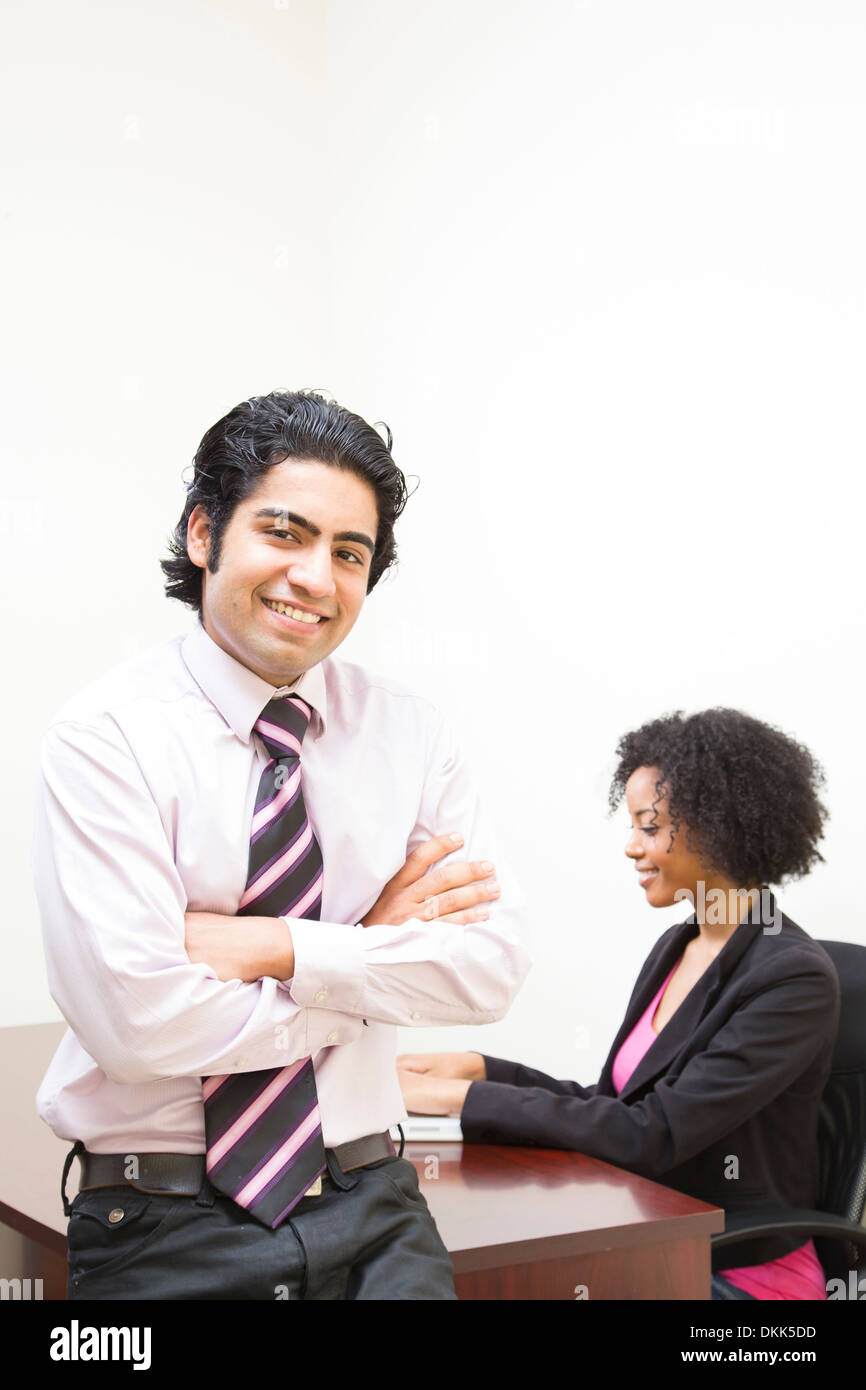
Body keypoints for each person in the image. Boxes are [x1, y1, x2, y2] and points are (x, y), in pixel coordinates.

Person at [34, 389, 530, 1301]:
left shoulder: (412, 736)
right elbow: (142, 1025)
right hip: (161, 1229)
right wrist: (368, 963)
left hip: (379, 1203)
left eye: (350, 553)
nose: (315, 577)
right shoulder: (106, 735)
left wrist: (281, 947)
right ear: (201, 533)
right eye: (284, 532)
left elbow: (489, 971)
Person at [399, 709, 840, 1301]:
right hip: (655, 1241)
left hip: (738, 1274)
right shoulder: (678, 946)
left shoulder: (792, 978)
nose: (632, 847)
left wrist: (462, 1099)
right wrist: (482, 1069)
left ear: (720, 827)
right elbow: (617, 1106)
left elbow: (652, 1135)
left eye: (650, 827)